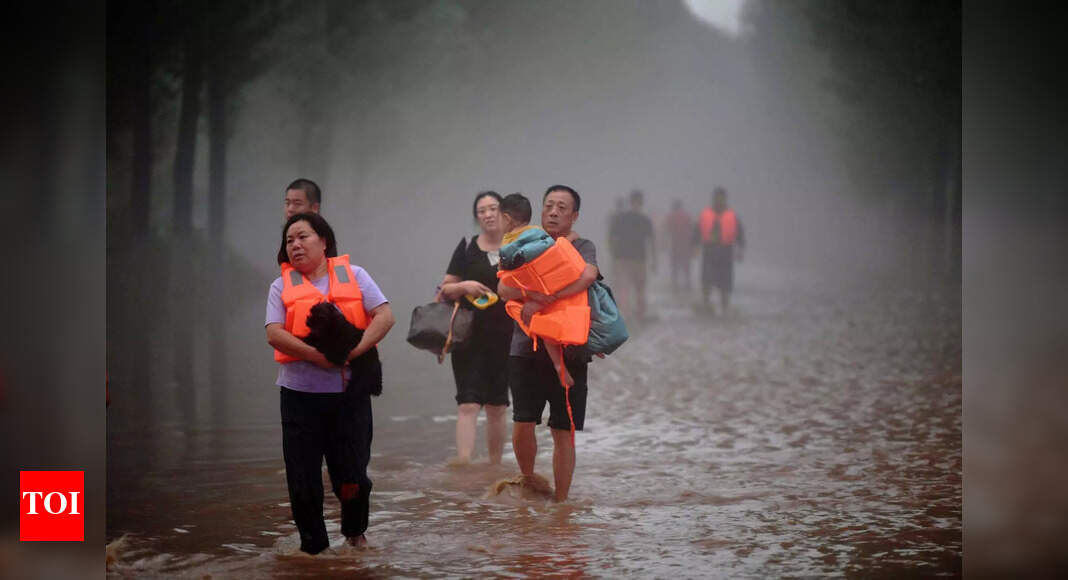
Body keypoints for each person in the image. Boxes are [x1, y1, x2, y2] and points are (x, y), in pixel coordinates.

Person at [264, 212, 395, 554]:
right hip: (299, 399)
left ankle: (355, 534)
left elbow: (385, 315)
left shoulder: (355, 276)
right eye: (289, 240)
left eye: (303, 237)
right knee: (303, 482)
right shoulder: (281, 286)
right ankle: (314, 550)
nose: (295, 245)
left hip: (348, 398)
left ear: (324, 242)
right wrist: (315, 356)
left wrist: (356, 350)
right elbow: (274, 333)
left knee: (352, 478)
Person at [497, 185, 599, 502]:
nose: (554, 212)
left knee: (563, 429)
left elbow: (588, 275)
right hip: (525, 347)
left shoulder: (583, 246)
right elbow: (503, 289)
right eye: (549, 206)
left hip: (571, 348)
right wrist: (534, 295)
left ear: (574, 215)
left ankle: (562, 503)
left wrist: (549, 296)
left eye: (562, 207)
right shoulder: (526, 243)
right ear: (541, 211)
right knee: (523, 421)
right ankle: (528, 481)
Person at [437, 191, 512, 466]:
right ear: (476, 217)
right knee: (468, 403)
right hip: (468, 336)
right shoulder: (467, 246)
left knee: (497, 406)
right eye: (482, 211)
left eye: (493, 208)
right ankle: (463, 465)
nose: (488, 214)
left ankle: (494, 467)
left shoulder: (515, 246)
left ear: (504, 213)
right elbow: (445, 288)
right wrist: (463, 286)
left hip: (506, 337)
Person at [496, 193, 577, 388]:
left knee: (540, 326)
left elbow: (504, 281)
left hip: (534, 289)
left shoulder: (509, 241)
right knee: (553, 328)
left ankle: (558, 366)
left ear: (507, 219)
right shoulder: (538, 232)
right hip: (552, 285)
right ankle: (561, 363)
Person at [693, 186, 745, 313]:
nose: (719, 200)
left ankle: (725, 310)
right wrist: (695, 247)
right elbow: (697, 232)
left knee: (725, 285)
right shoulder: (705, 215)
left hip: (725, 253)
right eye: (717, 198)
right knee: (707, 282)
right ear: (713, 199)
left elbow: (740, 235)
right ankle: (705, 306)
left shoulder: (732, 216)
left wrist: (740, 251)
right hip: (709, 253)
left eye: (722, 198)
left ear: (725, 199)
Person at [612, 189, 656, 322]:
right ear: (641, 202)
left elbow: (613, 238)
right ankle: (638, 314)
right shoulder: (644, 220)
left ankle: (628, 314)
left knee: (627, 286)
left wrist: (614, 257)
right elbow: (651, 241)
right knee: (638, 286)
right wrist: (654, 260)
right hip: (636, 258)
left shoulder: (621, 218)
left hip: (624, 257)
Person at [664, 199, 693, 292]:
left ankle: (675, 284)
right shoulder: (686, 216)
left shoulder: (670, 217)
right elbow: (691, 228)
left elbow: (667, 229)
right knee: (686, 265)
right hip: (685, 243)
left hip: (675, 243)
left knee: (675, 265)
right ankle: (687, 284)